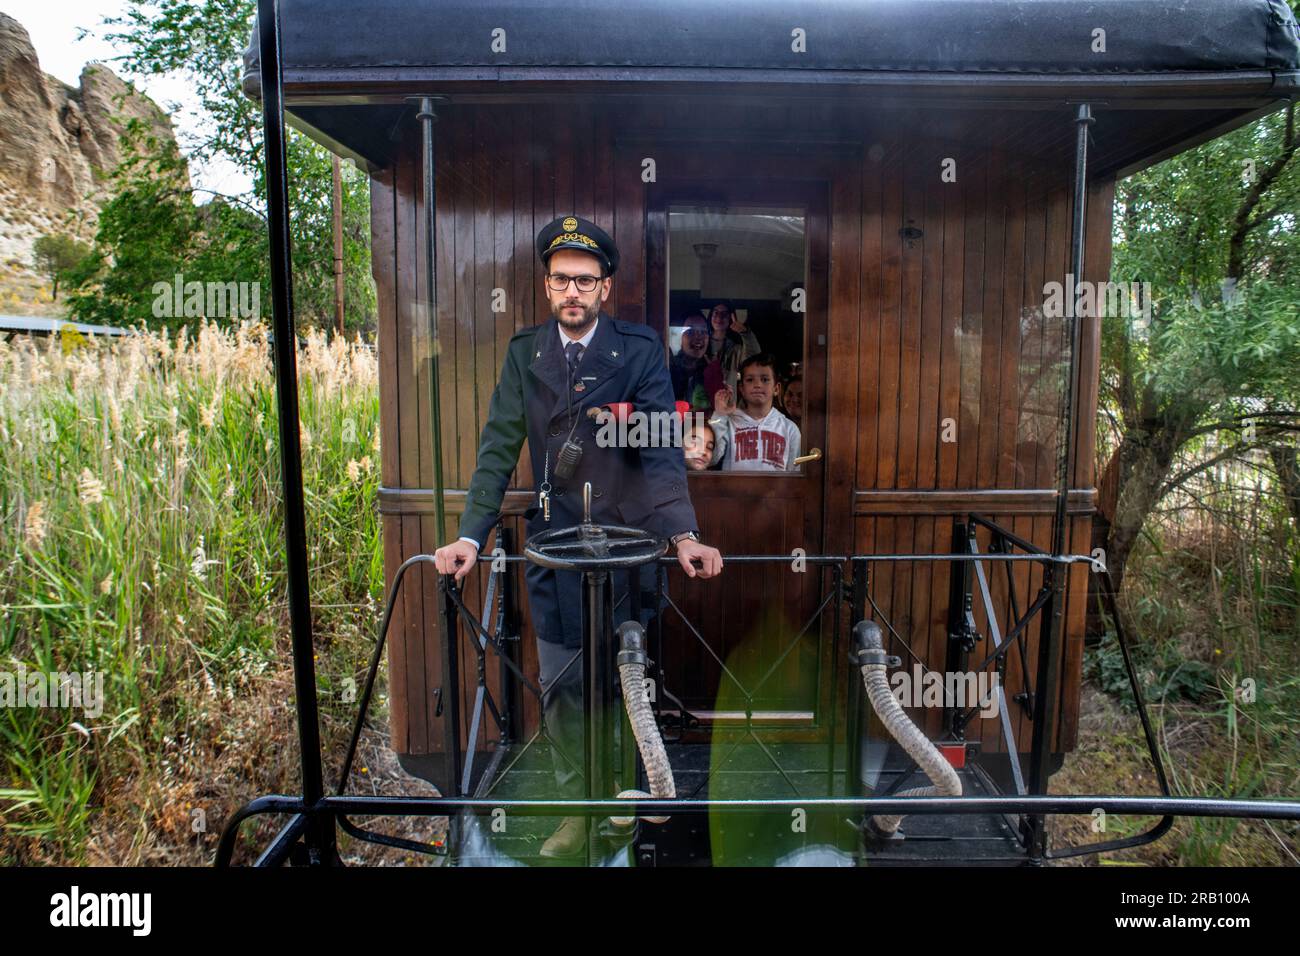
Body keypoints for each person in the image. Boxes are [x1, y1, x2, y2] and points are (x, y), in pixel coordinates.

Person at [432, 215, 723, 858]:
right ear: (546, 285)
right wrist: (470, 539)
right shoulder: (523, 353)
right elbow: (497, 449)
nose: (573, 291)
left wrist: (683, 537)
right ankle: (574, 812)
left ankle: (627, 805)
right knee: (563, 687)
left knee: (629, 682)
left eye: (585, 281)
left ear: (604, 288)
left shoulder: (641, 350)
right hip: (555, 548)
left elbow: (659, 451)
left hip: (629, 548)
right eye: (562, 279)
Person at [709, 352, 802, 471]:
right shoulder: (729, 422)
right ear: (741, 389)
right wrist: (720, 414)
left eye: (765, 379)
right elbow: (712, 458)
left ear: (776, 389)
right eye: (750, 380)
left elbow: (795, 474)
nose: (757, 384)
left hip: (774, 490)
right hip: (734, 489)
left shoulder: (790, 429)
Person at [702, 300, 760, 396]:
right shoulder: (702, 343)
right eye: (716, 312)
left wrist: (745, 333)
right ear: (710, 316)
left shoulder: (734, 349)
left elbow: (754, 357)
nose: (719, 317)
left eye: (724, 314)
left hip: (726, 404)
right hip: (701, 403)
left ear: (730, 318)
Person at [670, 312, 711, 411]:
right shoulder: (668, 368)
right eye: (691, 331)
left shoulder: (712, 371)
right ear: (680, 337)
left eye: (703, 331)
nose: (698, 337)